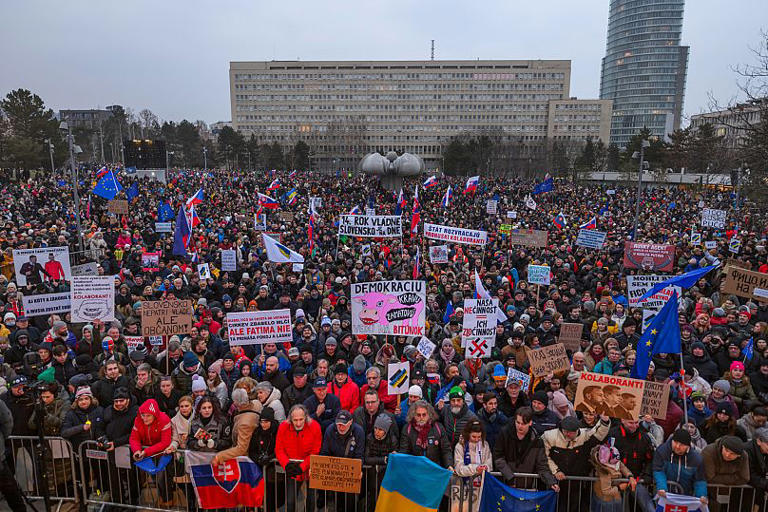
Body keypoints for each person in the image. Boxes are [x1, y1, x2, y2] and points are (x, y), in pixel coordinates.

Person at [493, 406, 558, 490]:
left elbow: (542, 465)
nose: (520, 426)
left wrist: (551, 482)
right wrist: (510, 477)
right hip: (505, 484)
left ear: (530, 423)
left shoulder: (537, 440)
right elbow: (498, 457)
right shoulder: (504, 434)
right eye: (518, 422)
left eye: (523, 424)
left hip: (526, 486)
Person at [275, 404, 322, 512]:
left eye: (301, 419)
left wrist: (302, 466)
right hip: (292, 468)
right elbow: (279, 449)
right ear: (290, 419)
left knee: (311, 500)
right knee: (290, 501)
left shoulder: (315, 426)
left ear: (306, 417)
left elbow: (315, 451)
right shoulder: (283, 427)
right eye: (295, 420)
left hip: (310, 468)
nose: (298, 423)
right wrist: (286, 465)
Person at [128, 398, 173, 506]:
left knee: (162, 478)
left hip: (162, 454)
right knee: (154, 477)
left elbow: (165, 442)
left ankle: (168, 499)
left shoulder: (164, 419)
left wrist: (146, 451)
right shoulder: (138, 420)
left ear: (154, 415)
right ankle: (162, 497)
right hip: (147, 453)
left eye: (148, 416)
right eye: (143, 415)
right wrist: (136, 450)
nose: (145, 418)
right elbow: (134, 438)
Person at [319, 410, 365, 512]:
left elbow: (359, 454)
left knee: (350, 503)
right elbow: (324, 452)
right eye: (338, 424)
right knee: (335, 502)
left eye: (344, 424)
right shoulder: (330, 430)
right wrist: (317, 469)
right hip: (334, 473)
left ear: (350, 422)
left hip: (350, 473)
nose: (341, 427)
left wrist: (359, 469)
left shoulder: (358, 431)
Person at [652, 429, 707, 505]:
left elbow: (699, 480)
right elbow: (658, 470)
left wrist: (701, 495)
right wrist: (662, 487)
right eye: (675, 442)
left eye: (681, 444)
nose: (677, 446)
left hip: (685, 498)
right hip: (665, 495)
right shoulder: (662, 451)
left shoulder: (696, 459)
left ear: (688, 446)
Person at [398, 400, 452, 468]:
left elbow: (446, 450)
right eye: (418, 415)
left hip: (434, 467)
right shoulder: (407, 429)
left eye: (424, 415)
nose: (421, 418)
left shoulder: (438, 427)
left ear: (429, 414)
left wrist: (449, 465)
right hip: (415, 468)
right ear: (413, 415)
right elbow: (404, 451)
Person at [212, 388, 260, 464]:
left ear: (236, 403)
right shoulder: (256, 404)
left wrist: (220, 456)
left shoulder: (244, 424)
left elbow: (241, 449)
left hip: (247, 462)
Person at [589, 442, 636, 512]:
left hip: (616, 497)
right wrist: (619, 488)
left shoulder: (615, 461)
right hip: (605, 500)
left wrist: (630, 476)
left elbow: (622, 467)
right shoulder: (603, 471)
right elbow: (606, 491)